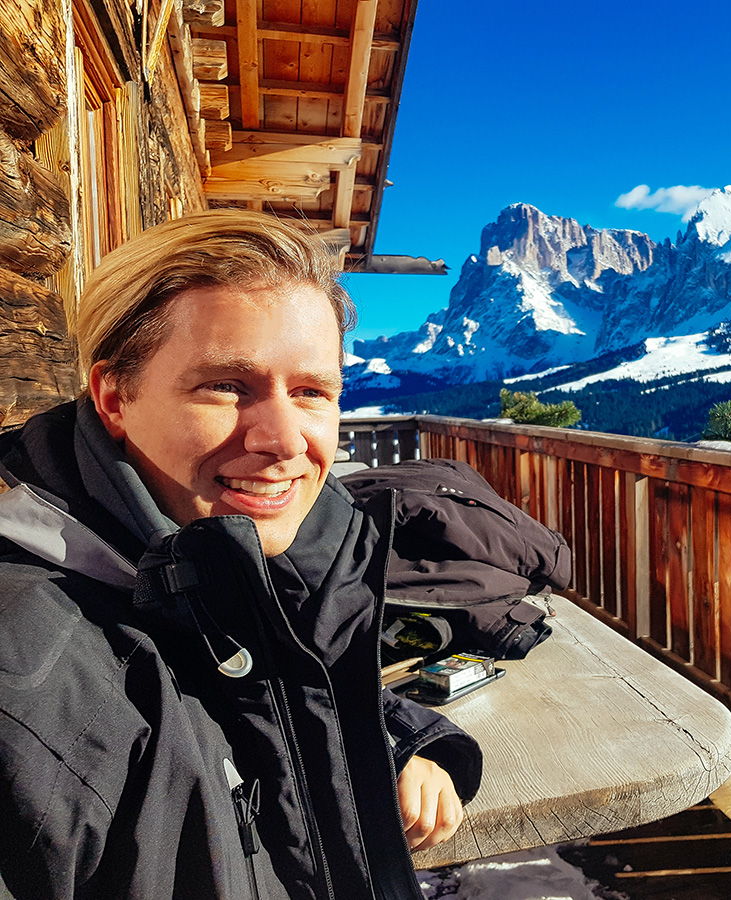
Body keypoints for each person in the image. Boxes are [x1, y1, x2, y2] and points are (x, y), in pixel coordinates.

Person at [0, 210, 482, 899]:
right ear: (115, 399)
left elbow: (262, 694)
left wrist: (398, 743)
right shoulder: (25, 664)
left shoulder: (235, 561)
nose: (284, 440)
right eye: (226, 386)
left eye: (312, 392)